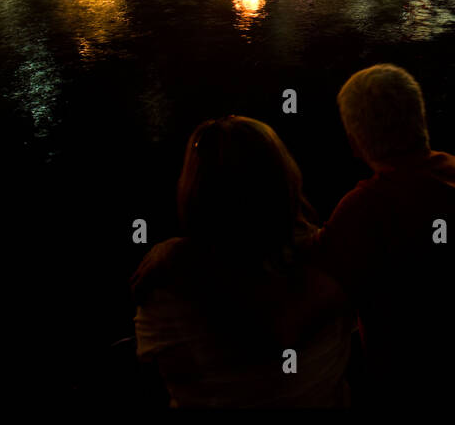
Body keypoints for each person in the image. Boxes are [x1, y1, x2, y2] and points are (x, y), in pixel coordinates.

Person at [315, 64, 455, 406]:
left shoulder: (366, 207)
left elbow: (315, 270)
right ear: (421, 120)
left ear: (354, 143)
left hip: (410, 385)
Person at [131, 116, 354, 407]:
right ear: (285, 177)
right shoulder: (327, 259)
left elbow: (175, 379)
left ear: (192, 188)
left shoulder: (164, 287)